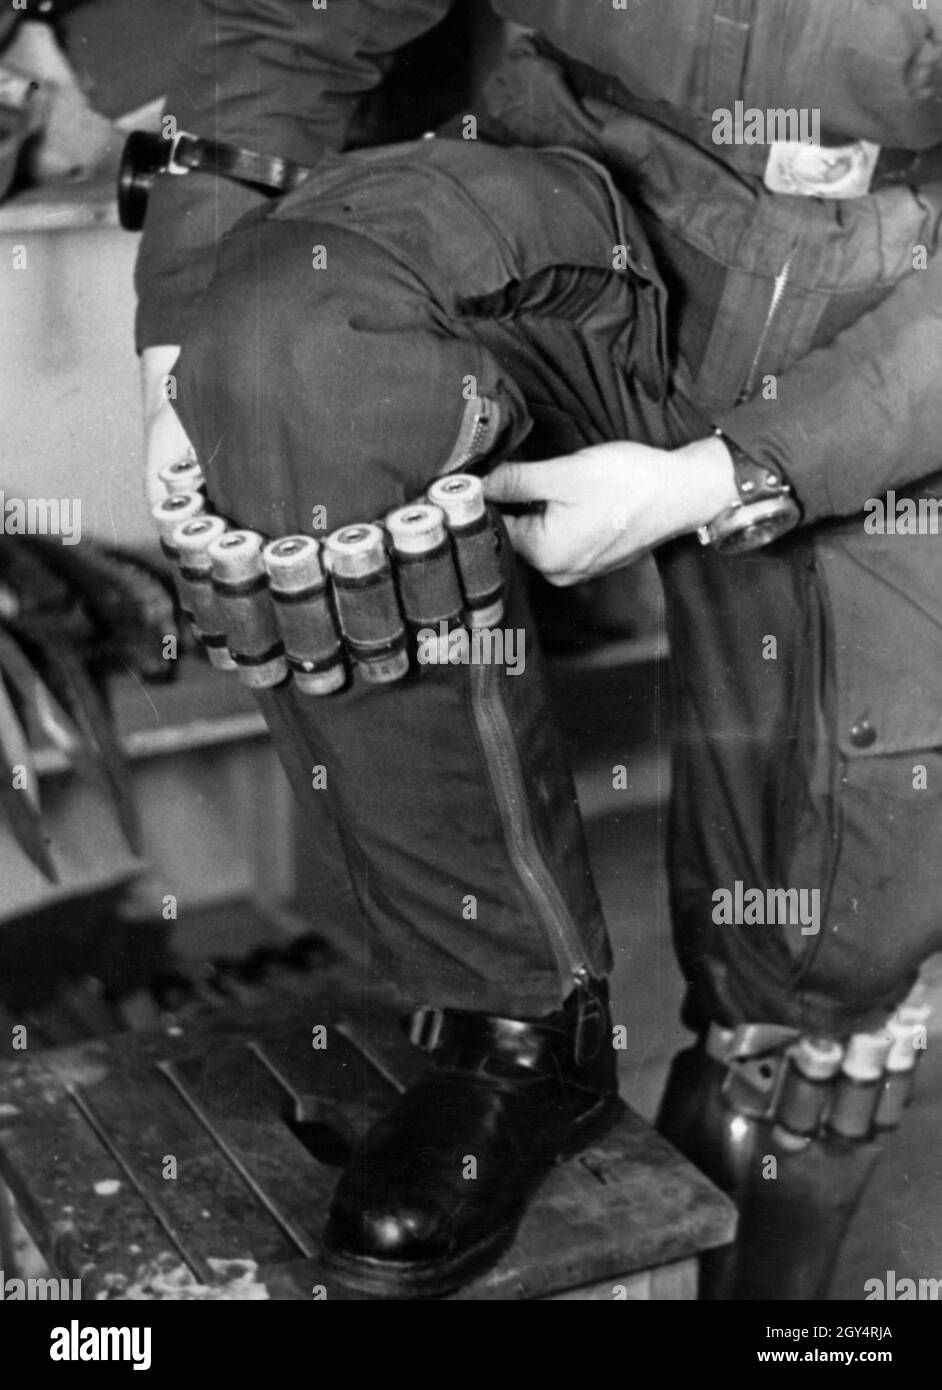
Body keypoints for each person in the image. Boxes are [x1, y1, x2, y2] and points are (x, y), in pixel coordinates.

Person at [134, 1, 942, 1301]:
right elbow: (289, 19)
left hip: (894, 343)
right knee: (288, 343)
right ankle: (515, 1024)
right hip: (591, 220)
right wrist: (181, 332)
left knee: (809, 997)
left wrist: (723, 475)